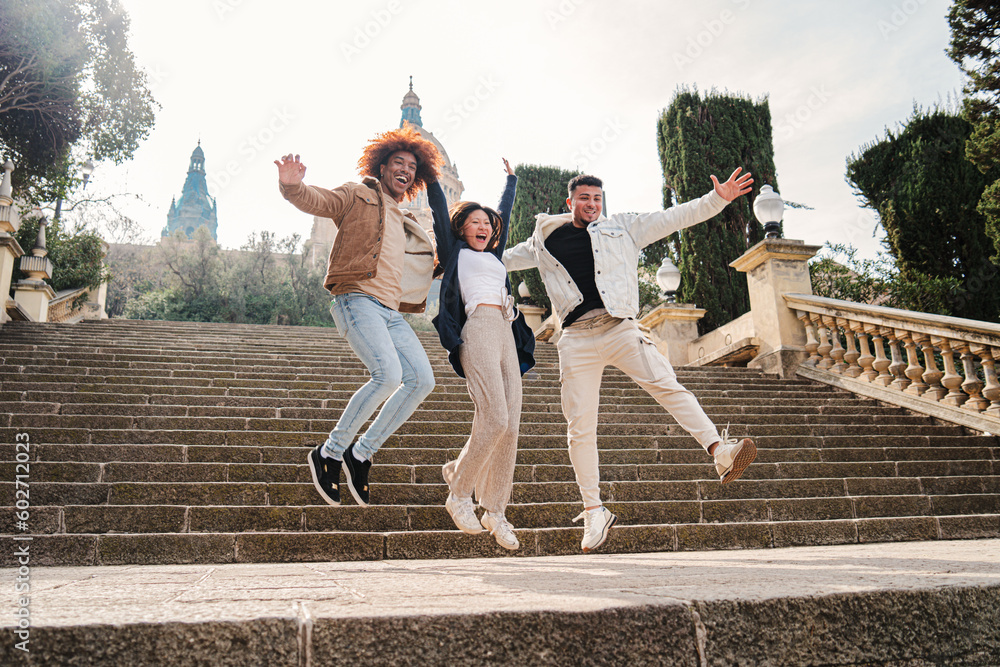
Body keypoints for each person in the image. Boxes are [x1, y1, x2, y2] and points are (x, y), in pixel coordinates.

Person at [503, 169, 757, 552]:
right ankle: (594, 511)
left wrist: (717, 199)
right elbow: (497, 259)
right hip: (575, 338)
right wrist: (450, 260)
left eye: (597, 199)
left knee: (668, 386)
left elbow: (675, 218)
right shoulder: (544, 238)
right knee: (579, 427)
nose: (591, 204)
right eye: (584, 198)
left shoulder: (622, 229)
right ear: (570, 202)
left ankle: (720, 452)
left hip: (619, 327)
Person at [274, 124, 442, 508]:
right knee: (388, 375)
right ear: (382, 167)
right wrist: (291, 186)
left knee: (423, 381)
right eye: (398, 162)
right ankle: (329, 453)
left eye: (412, 167)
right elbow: (319, 202)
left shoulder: (406, 220)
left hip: (392, 312)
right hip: (357, 298)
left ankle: (361, 453)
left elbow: (418, 268)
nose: (406, 170)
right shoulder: (357, 194)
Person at [428, 158, 535, 551]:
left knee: (511, 423)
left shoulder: (494, 256)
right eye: (475, 222)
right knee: (494, 415)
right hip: (477, 330)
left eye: (487, 225)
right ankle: (459, 493)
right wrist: (431, 174)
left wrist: (511, 181)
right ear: (461, 228)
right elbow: (439, 210)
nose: (484, 227)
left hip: (507, 331)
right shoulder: (456, 252)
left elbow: (503, 213)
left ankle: (495, 510)